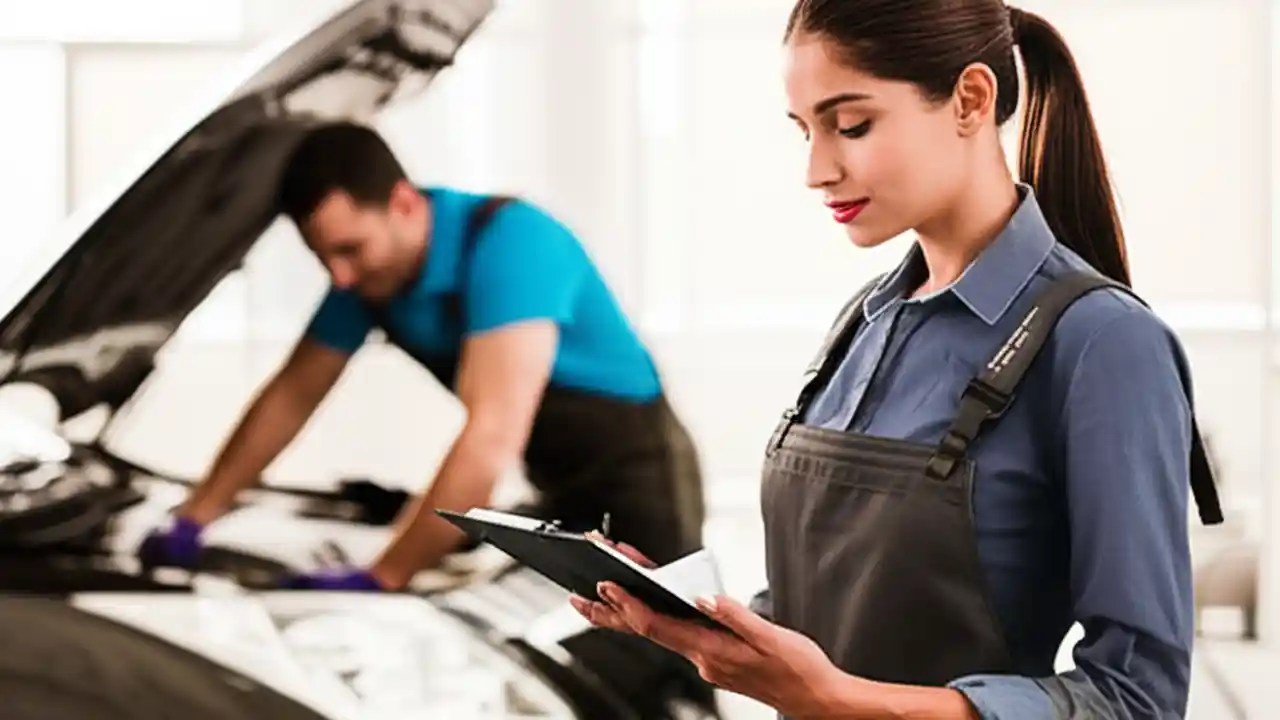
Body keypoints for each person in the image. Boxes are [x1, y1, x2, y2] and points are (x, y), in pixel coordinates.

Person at [570, 2, 1223, 719]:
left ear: (971, 100)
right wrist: (696, 619)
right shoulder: (865, 320)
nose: (817, 170)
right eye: (804, 130)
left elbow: (1138, 699)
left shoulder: (1103, 343)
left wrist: (844, 701)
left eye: (851, 126)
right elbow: (838, 611)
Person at [138, 121, 706, 591]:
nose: (339, 274)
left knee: (662, 668)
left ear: (404, 204)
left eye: (349, 249)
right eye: (321, 256)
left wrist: (383, 577)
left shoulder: (514, 243)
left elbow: (489, 438)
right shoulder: (367, 279)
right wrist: (195, 516)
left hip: (639, 481)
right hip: (556, 484)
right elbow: (290, 397)